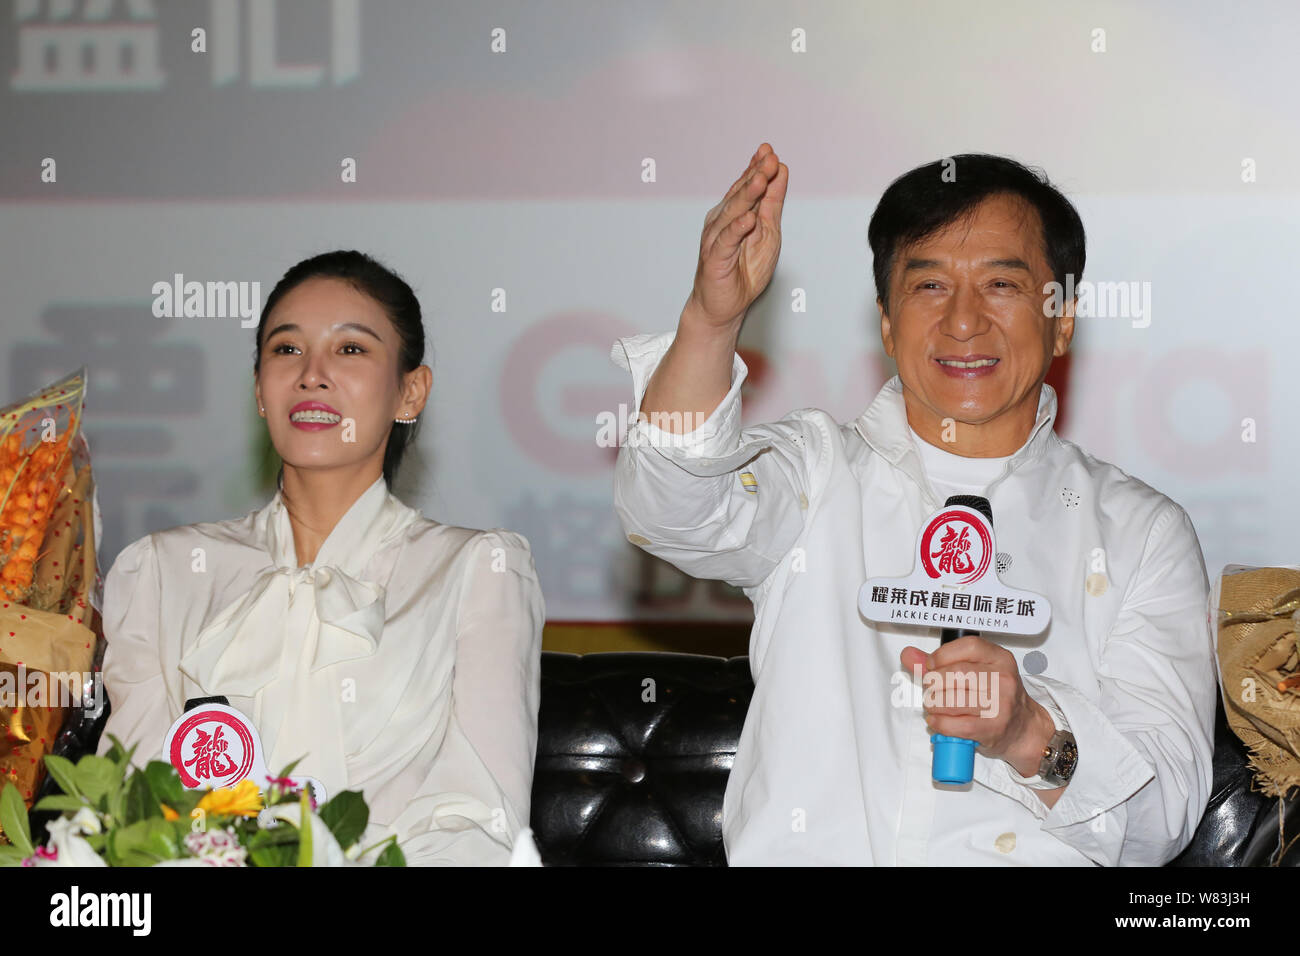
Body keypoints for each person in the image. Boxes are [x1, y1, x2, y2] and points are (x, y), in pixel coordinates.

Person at [611, 146, 1216, 865]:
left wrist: (1028, 732)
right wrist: (710, 323)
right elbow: (669, 508)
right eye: (929, 286)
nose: (964, 322)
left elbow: (1165, 816)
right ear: (887, 322)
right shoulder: (816, 471)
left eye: (1002, 284)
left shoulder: (1141, 533)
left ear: (1062, 319)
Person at [98, 250, 544, 866]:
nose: (312, 374)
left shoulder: (477, 572)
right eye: (286, 350)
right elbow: (130, 814)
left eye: (351, 350)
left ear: (409, 391)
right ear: (259, 389)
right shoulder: (160, 572)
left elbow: (477, 824)